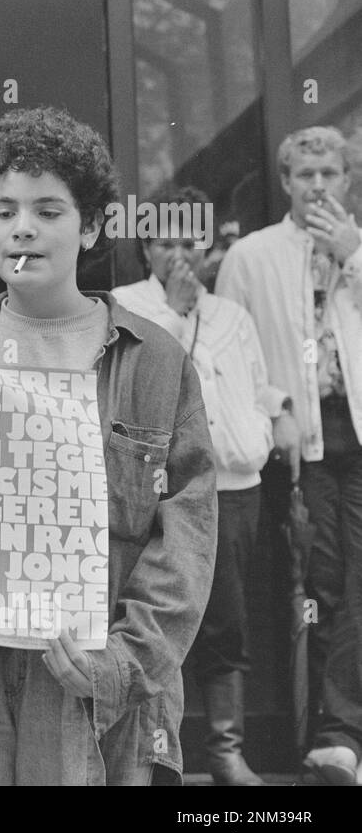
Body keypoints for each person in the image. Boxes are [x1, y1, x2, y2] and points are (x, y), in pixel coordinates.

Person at [0, 107, 217, 785]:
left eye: (48, 211)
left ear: (90, 227)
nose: (22, 227)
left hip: (90, 689)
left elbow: (187, 530)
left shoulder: (154, 360)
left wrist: (125, 661)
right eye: (4, 211)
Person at [113, 185, 282, 785]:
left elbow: (258, 387)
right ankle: (159, 751)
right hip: (158, 487)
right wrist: (176, 313)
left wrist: (258, 436)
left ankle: (226, 753)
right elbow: (154, 379)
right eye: (164, 242)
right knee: (162, 609)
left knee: (226, 618)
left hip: (236, 487)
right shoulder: (125, 304)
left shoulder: (233, 315)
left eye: (190, 242)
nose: (178, 254)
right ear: (144, 248)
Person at [216, 125, 362, 785]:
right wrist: (275, 405)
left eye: (331, 173)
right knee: (323, 582)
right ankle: (327, 737)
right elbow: (228, 349)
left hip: (358, 432)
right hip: (300, 443)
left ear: (349, 179)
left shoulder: (358, 247)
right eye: (307, 175)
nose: (320, 186)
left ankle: (340, 736)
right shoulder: (252, 255)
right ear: (285, 182)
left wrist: (352, 255)